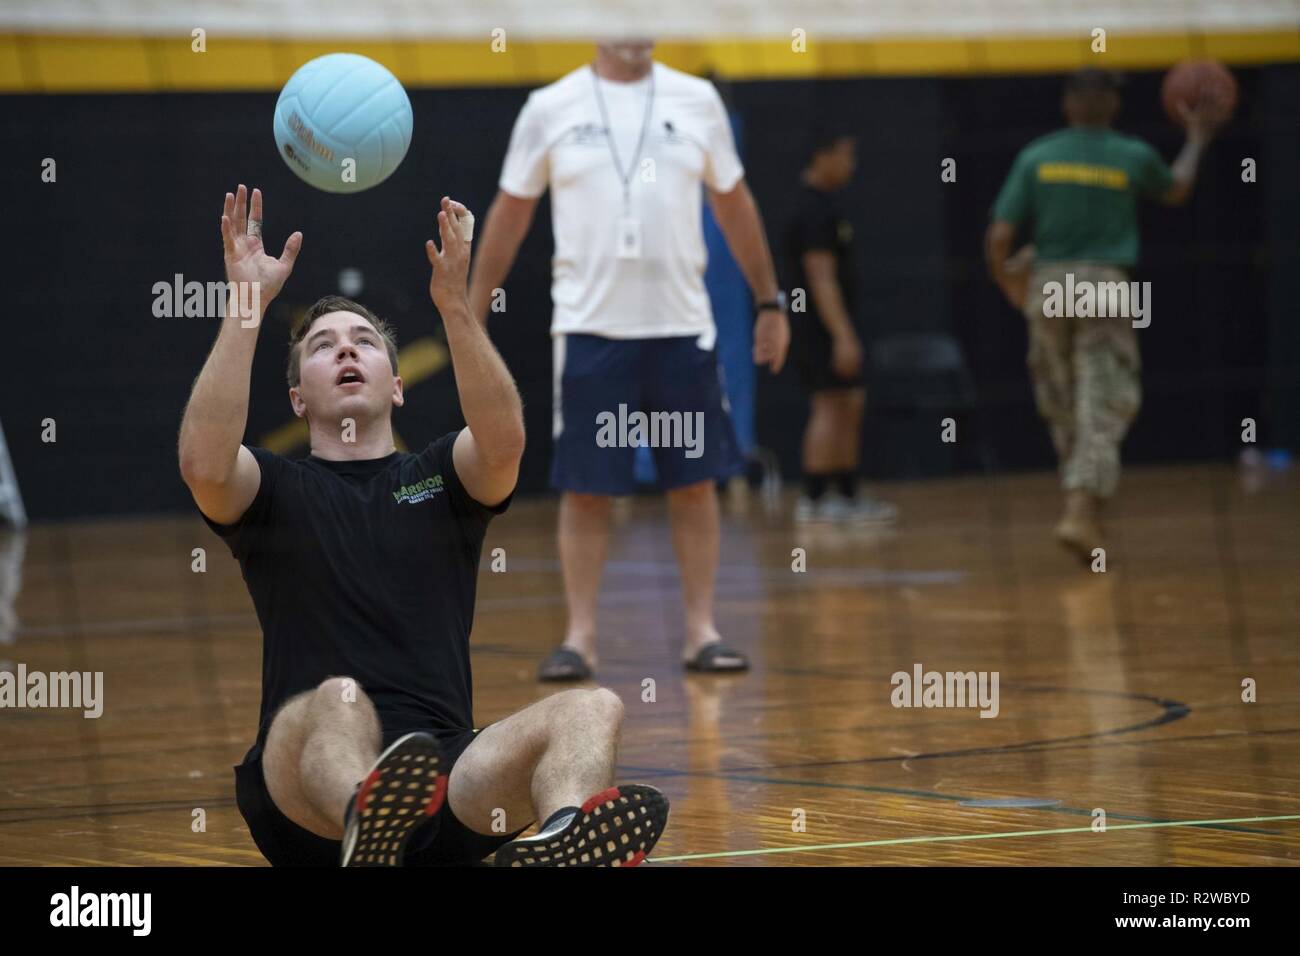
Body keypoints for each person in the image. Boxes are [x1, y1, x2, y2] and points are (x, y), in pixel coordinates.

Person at [178, 184, 668, 867]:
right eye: (323, 346)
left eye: (365, 343)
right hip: (304, 803)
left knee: (590, 708)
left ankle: (563, 841)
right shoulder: (275, 488)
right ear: (298, 396)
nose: (346, 351)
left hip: (447, 785)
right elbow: (204, 463)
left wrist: (456, 308)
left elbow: (503, 444)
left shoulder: (439, 478)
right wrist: (246, 305)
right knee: (337, 700)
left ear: (397, 383)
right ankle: (367, 819)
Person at [469, 39, 790, 681]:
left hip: (681, 327)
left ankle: (702, 630)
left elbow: (734, 204)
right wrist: (469, 312)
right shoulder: (549, 106)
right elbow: (510, 212)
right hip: (591, 330)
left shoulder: (696, 100)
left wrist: (769, 299)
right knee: (586, 487)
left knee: (695, 482)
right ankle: (580, 636)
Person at [985, 69, 1225, 561]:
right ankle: (1080, 507)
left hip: (1050, 282)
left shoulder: (1038, 156)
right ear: (1113, 105)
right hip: (1106, 285)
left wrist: (1010, 283)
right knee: (1104, 394)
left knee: (1062, 398)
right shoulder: (1131, 154)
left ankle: (1083, 505)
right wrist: (1197, 139)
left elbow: (998, 239)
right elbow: (1177, 189)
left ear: (1067, 104)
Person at [784, 129, 896, 524]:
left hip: (831, 326)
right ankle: (815, 498)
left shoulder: (829, 205)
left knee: (850, 402)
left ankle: (846, 494)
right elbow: (820, 278)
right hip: (819, 328)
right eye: (846, 155)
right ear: (822, 156)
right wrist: (842, 335)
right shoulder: (811, 210)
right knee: (829, 405)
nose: (852, 164)